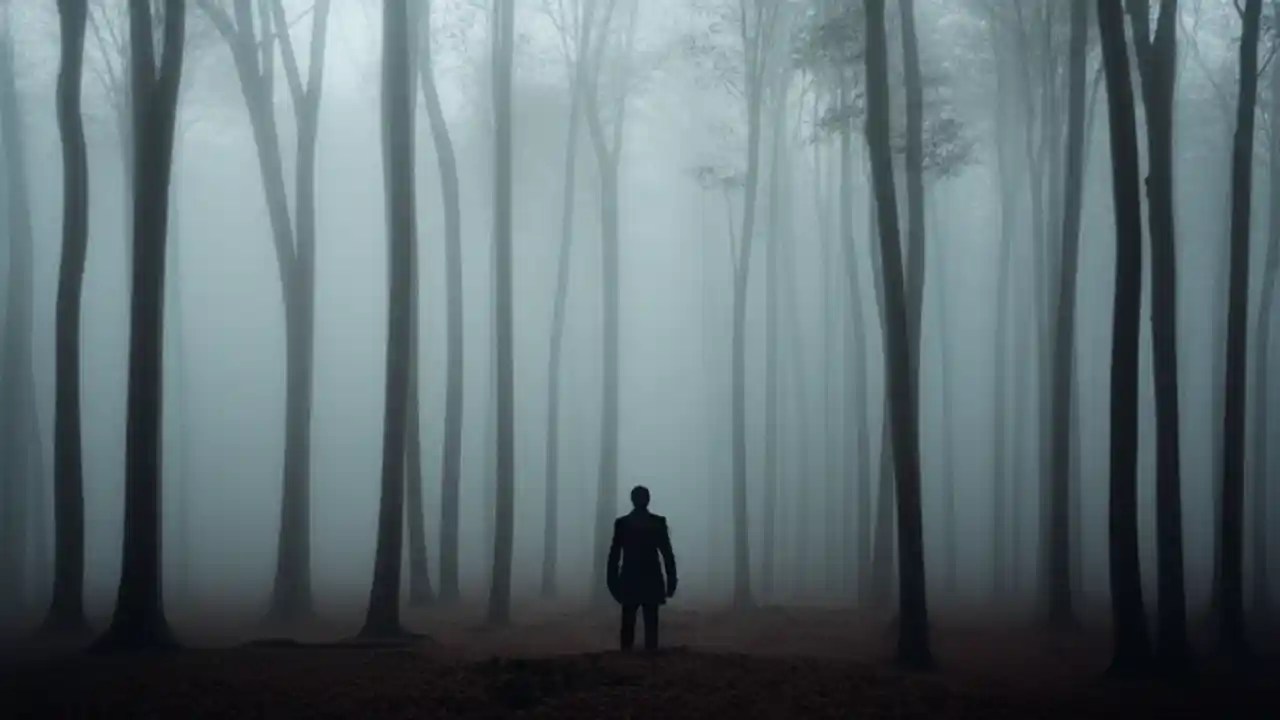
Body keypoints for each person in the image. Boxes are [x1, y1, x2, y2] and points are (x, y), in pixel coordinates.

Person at [606, 485, 678, 651]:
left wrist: (612, 582)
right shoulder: (657, 523)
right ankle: (649, 656)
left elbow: (614, 556)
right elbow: (667, 555)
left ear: (632, 500)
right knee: (650, 623)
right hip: (650, 578)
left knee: (629, 623)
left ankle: (627, 655)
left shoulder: (623, 524)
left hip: (630, 578)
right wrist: (671, 580)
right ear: (648, 500)